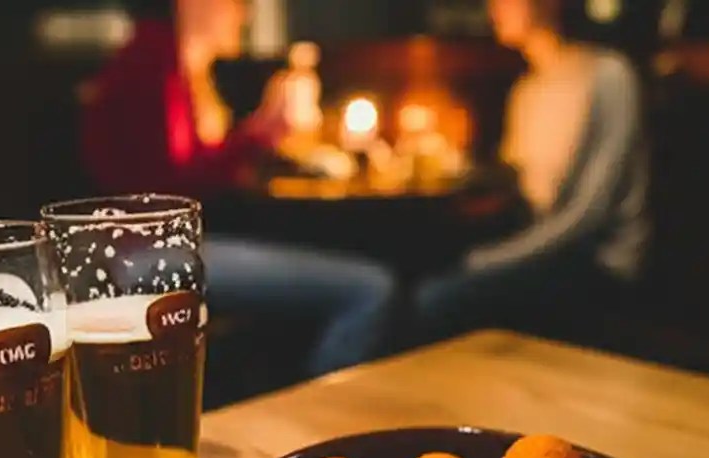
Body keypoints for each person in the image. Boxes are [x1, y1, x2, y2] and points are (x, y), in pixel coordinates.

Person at [80, 0, 397, 377]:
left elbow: (186, 170)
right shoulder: (151, 60)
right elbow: (165, 194)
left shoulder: (177, 62)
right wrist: (260, 134)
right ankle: (323, 417)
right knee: (369, 290)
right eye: (236, 3)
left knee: (351, 283)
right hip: (144, 253)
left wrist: (260, 139)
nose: (243, 14)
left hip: (166, 244)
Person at [412, 0, 650, 342]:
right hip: (541, 245)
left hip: (595, 260)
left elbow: (589, 213)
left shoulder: (610, 75)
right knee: (424, 277)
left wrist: (494, 259)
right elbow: (516, 186)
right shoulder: (528, 88)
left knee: (438, 300)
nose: (494, 9)